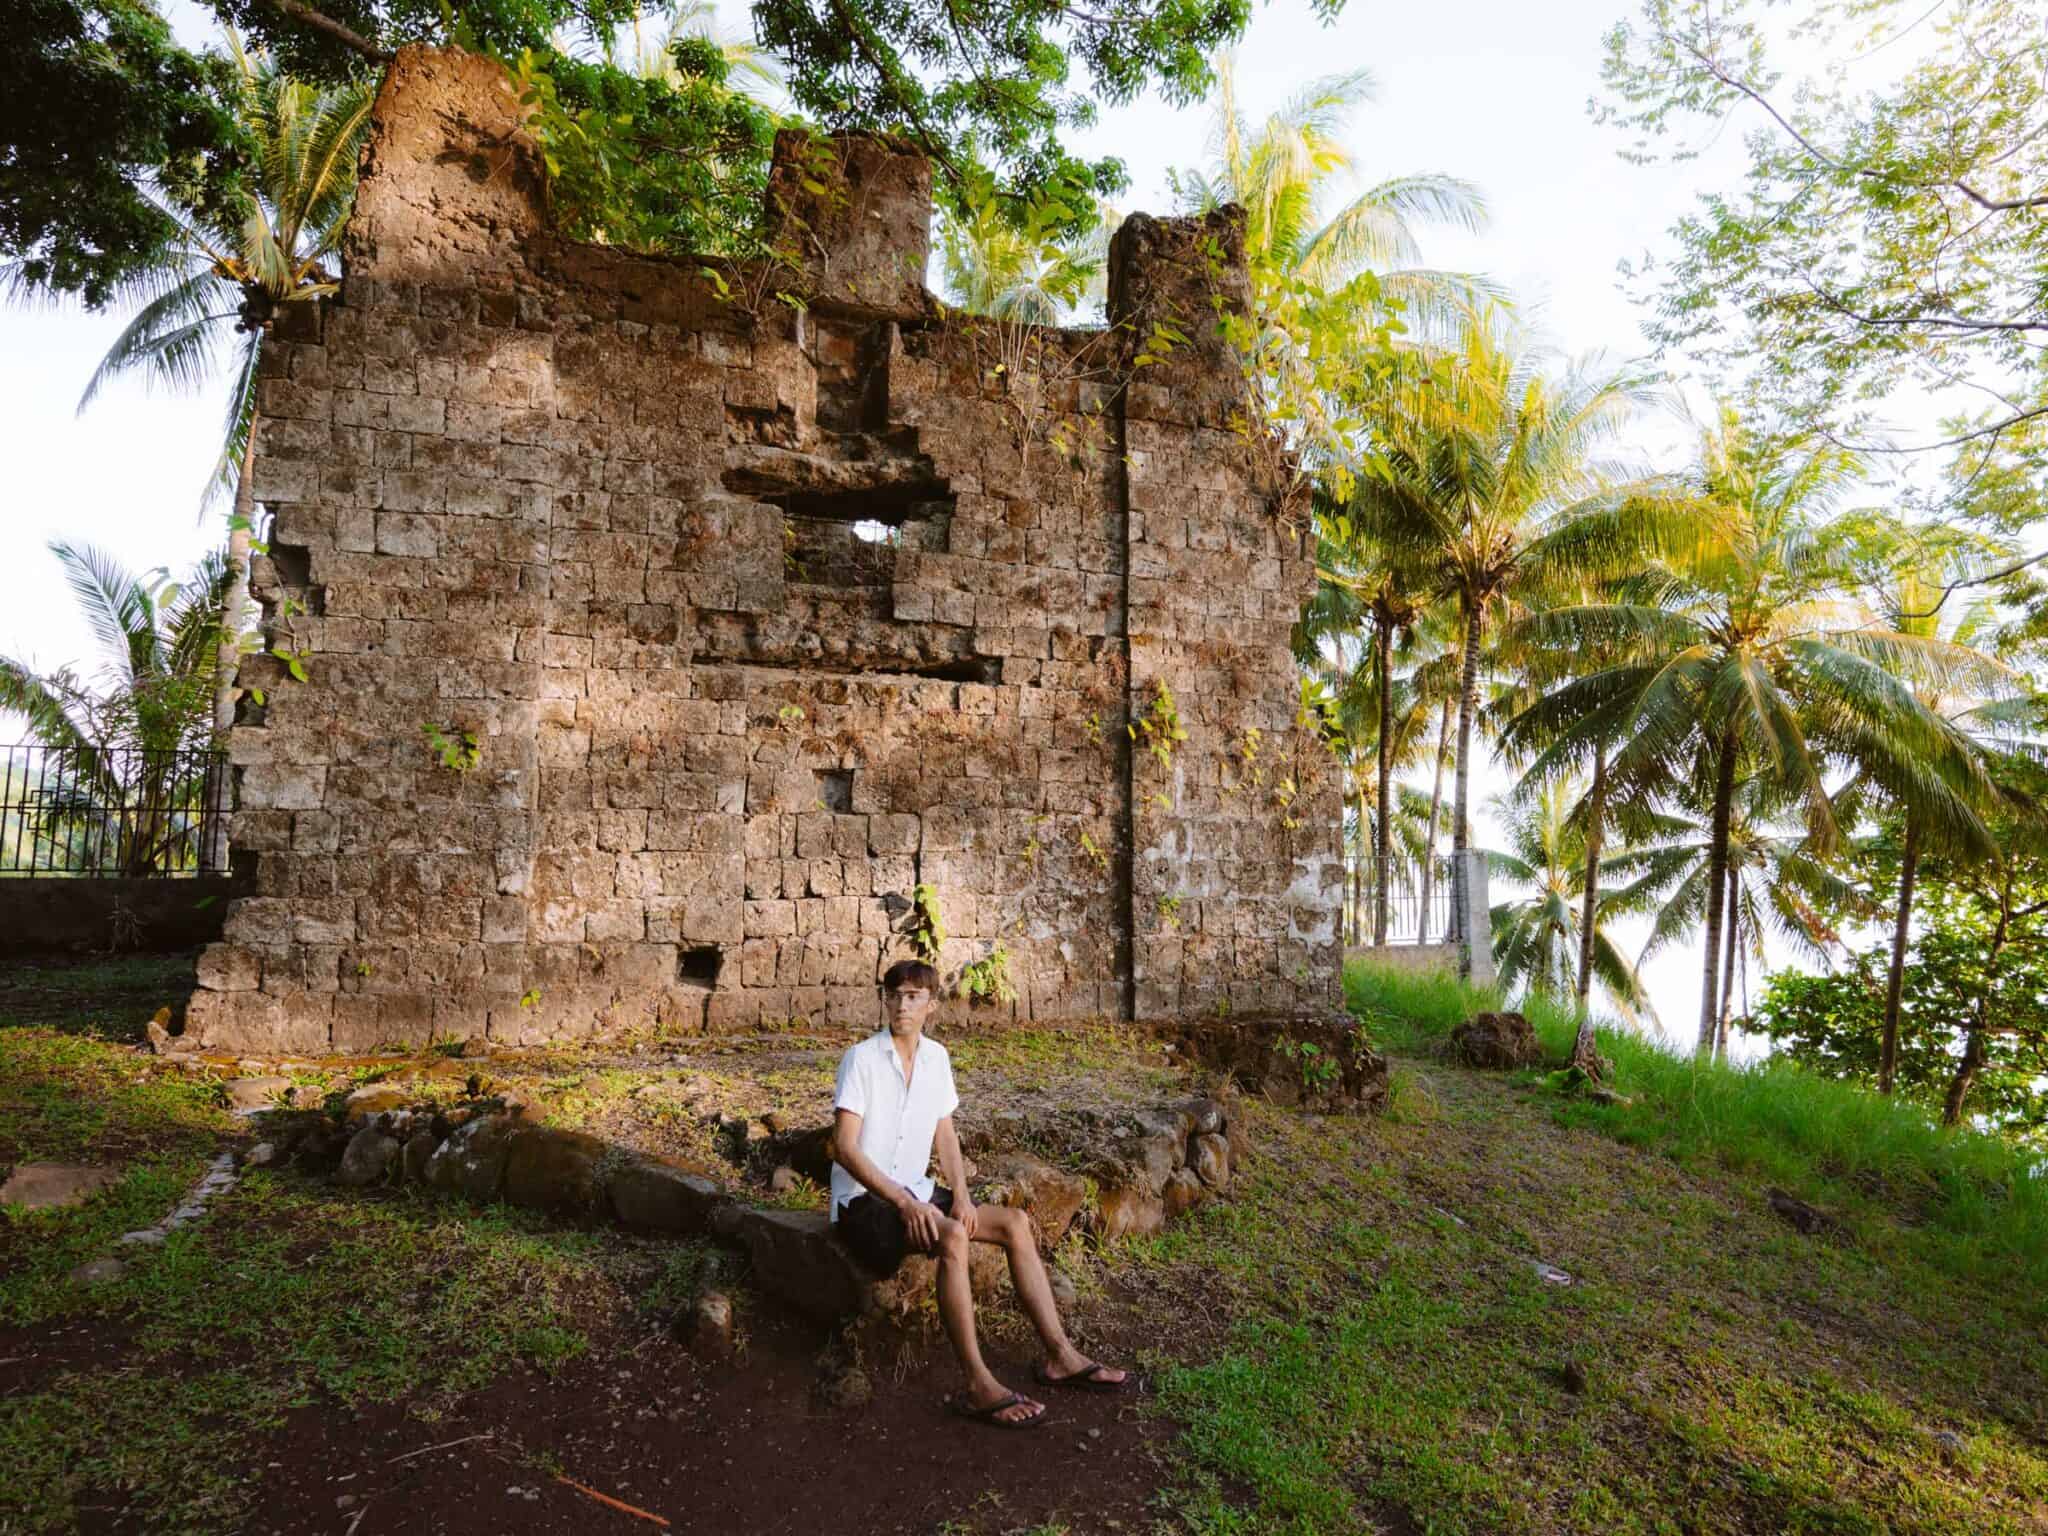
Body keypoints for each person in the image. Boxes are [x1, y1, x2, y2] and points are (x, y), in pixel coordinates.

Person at [830, 958, 1129, 1428]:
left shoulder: (937, 1059)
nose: (901, 1005)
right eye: (894, 995)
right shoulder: (862, 1059)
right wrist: (906, 1203)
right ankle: (977, 1384)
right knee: (952, 1237)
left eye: (912, 996)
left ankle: (1060, 1355)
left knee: (1015, 1223)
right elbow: (844, 1149)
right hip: (864, 1205)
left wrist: (963, 1196)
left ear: (931, 1005)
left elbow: (945, 1134)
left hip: (919, 1191)